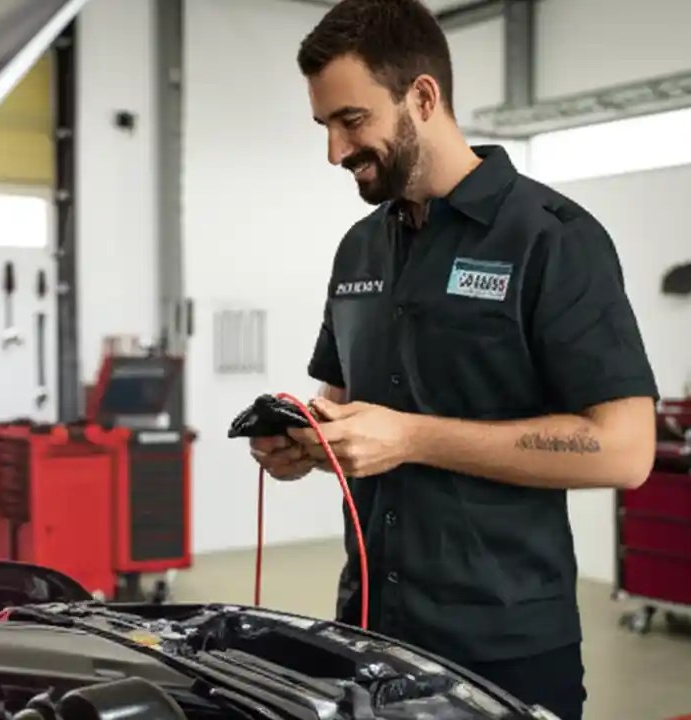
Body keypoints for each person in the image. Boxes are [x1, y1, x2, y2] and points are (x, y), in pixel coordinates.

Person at [247, 2, 659, 719]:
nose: (335, 152)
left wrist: (411, 437)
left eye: (352, 120)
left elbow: (625, 451)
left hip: (505, 651)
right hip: (368, 634)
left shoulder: (553, 241)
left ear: (423, 97)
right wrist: (311, 439)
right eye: (325, 127)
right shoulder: (359, 249)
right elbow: (343, 403)